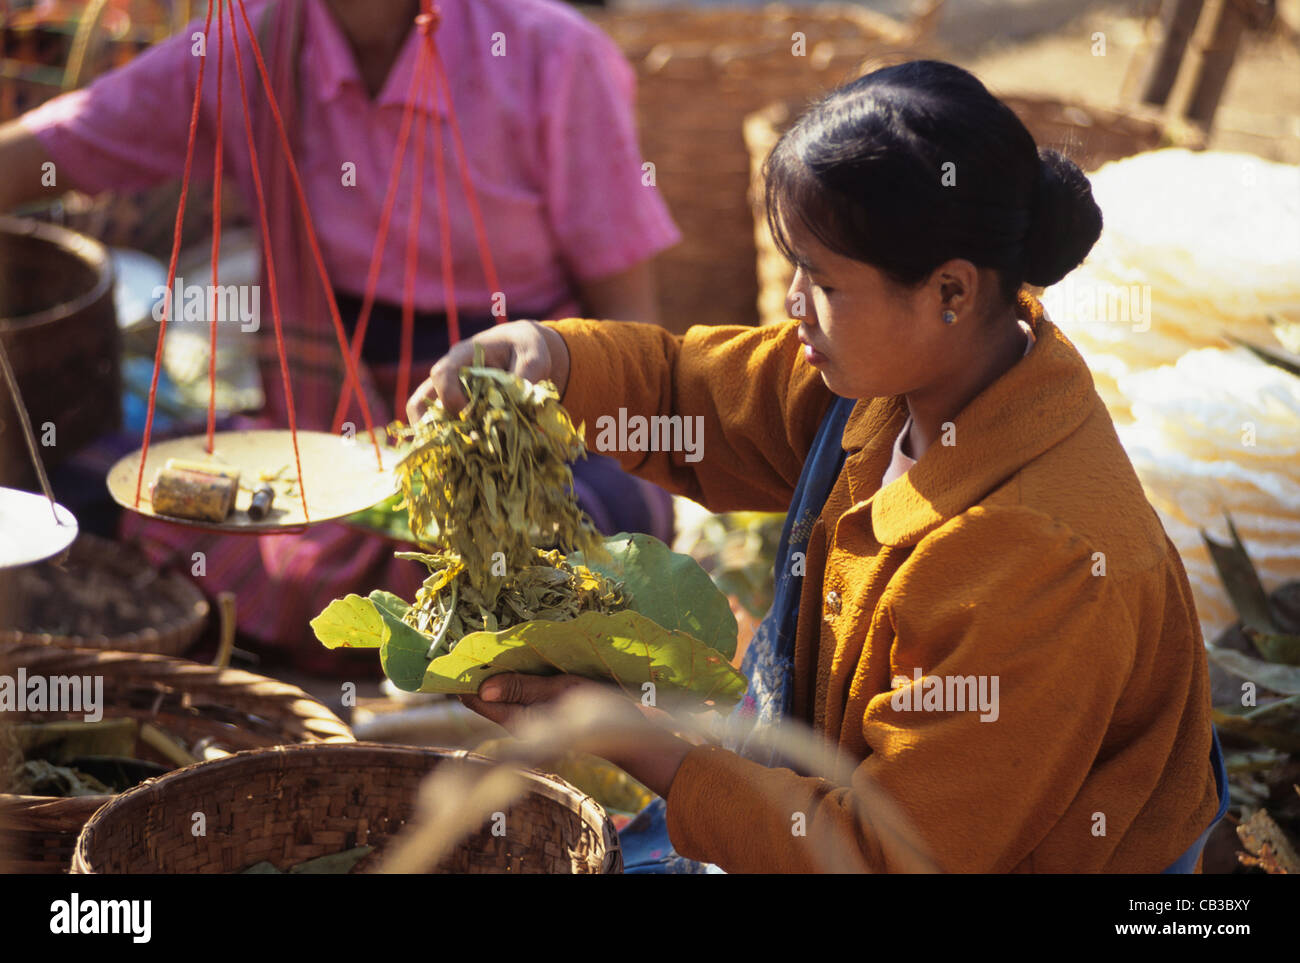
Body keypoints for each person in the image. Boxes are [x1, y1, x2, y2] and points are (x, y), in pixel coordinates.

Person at [407, 61, 1229, 873]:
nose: (793, 300)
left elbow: (884, 855)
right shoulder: (898, 379)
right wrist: (547, 355)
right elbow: (686, 394)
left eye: (823, 280)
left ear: (951, 290)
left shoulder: (1035, 559)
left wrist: (629, 737)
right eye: (794, 265)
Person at [0, 0, 680, 672]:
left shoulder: (551, 54)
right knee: (72, 498)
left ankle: (345, 644)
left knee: (572, 561)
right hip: (334, 428)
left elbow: (633, 342)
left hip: (524, 434)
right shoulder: (254, 46)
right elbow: (74, 138)